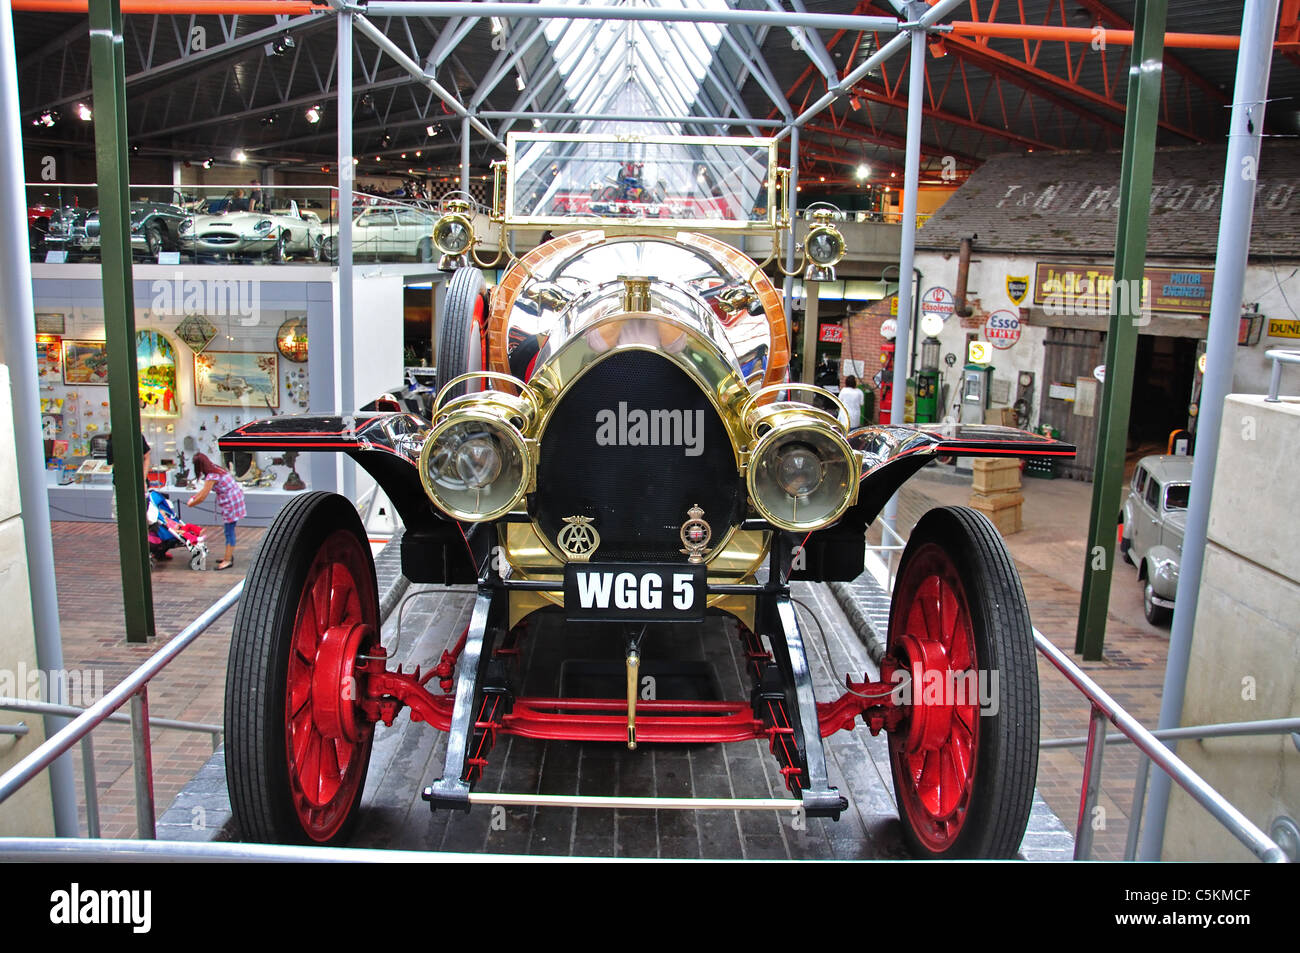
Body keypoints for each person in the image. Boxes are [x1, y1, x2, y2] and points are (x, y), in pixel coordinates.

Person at [188, 452, 246, 570]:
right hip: (234, 499)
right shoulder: (216, 469)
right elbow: (203, 492)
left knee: (229, 531)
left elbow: (203, 495)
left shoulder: (212, 476)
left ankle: (228, 560)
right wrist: (194, 498)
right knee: (229, 530)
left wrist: (191, 503)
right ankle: (227, 555)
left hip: (231, 503)